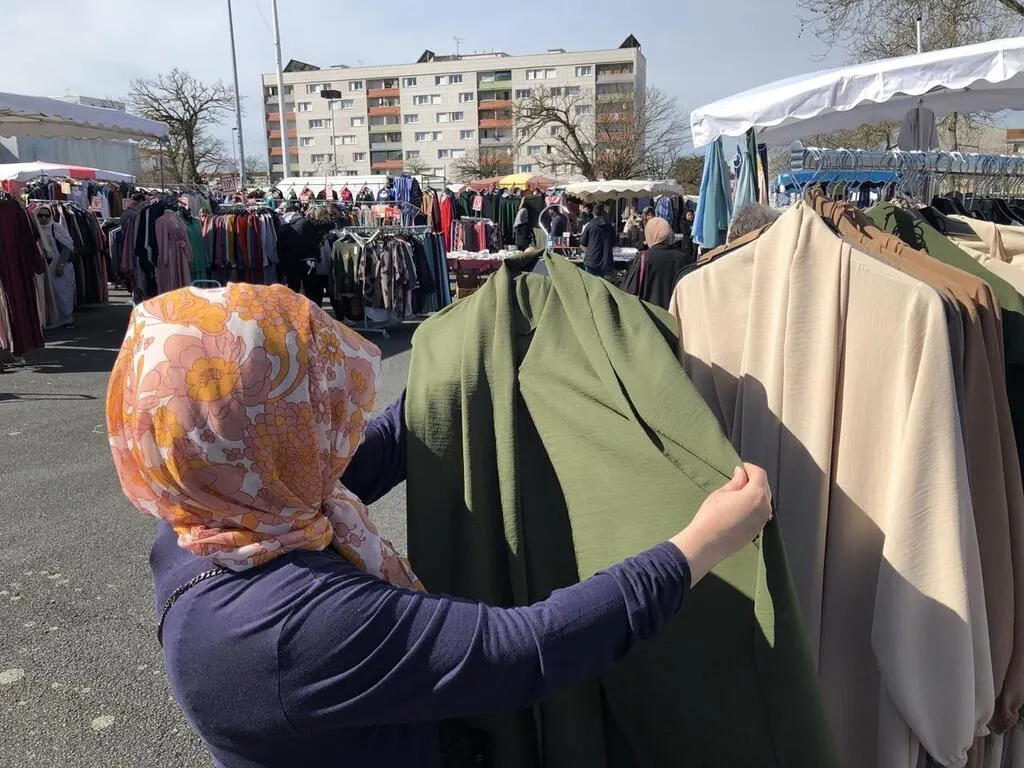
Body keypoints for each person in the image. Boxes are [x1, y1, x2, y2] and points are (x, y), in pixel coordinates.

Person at [108, 283, 773, 768]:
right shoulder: (289, 628)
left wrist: (473, 340)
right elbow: (527, 649)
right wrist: (701, 544)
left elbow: (385, 441)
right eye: (314, 403)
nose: (337, 414)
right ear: (266, 434)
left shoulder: (212, 505)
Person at [621, 217, 694, 309]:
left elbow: (628, 291)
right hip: (677, 316)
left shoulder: (644, 258)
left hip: (651, 316)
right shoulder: (684, 258)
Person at [35, 205, 76, 329]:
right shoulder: (36, 229)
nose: (43, 218)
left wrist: (61, 265)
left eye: (46, 215)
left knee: (62, 292)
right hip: (46, 266)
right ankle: (53, 318)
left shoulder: (56, 227)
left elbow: (67, 246)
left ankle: (67, 318)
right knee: (50, 293)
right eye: (40, 215)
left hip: (59, 265)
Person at [580, 203, 616, 277]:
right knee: (601, 286)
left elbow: (582, 243)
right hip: (605, 261)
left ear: (593, 213)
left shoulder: (590, 226)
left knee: (589, 285)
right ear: (603, 213)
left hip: (591, 260)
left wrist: (589, 252)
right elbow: (614, 243)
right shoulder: (610, 226)